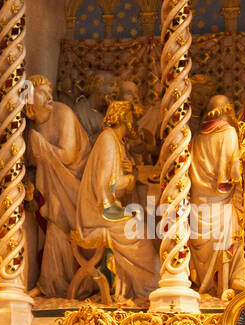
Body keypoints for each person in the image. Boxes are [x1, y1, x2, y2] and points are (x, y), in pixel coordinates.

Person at [76, 99, 160, 302]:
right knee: (139, 234)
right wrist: (129, 179)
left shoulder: (117, 142)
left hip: (108, 208)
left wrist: (130, 174)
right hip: (98, 213)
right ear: (123, 117)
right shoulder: (107, 140)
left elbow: (116, 187)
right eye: (132, 117)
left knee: (144, 224)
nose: (135, 123)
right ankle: (149, 287)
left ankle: (141, 286)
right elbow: (104, 187)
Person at [28, 74, 90, 296]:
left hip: (75, 180)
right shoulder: (32, 125)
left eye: (50, 91)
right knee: (55, 226)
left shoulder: (63, 113)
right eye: (42, 92)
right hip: (53, 184)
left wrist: (43, 146)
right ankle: (51, 283)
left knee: (62, 225)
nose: (49, 97)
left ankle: (70, 282)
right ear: (28, 98)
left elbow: (68, 154)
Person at [190, 94, 245, 295]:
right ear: (228, 110)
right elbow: (234, 173)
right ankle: (235, 278)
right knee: (241, 226)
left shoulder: (196, 137)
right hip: (219, 204)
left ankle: (206, 279)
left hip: (198, 206)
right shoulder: (228, 133)